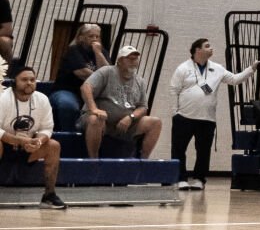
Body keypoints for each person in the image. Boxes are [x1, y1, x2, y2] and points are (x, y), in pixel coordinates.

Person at [168, 38, 260, 190]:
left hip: (207, 118)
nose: (211, 48)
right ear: (197, 50)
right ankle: (180, 179)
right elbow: (174, 90)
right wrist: (175, 113)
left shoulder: (217, 68)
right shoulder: (183, 68)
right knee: (178, 149)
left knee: (203, 151)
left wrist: (251, 69)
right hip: (184, 117)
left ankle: (199, 179)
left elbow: (235, 79)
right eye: (207, 46)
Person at [79, 46, 160, 160]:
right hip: (102, 120)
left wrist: (130, 117)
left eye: (135, 59)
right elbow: (86, 88)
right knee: (95, 119)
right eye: (129, 59)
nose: (133, 62)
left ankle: (143, 161)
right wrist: (94, 109)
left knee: (155, 122)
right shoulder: (107, 71)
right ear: (120, 61)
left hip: (126, 123)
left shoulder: (140, 81)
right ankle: (93, 161)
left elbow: (143, 107)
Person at [0, 66, 64, 208]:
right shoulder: (3, 98)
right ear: (14, 82)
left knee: (53, 146)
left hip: (28, 147)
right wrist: (19, 140)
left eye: (32, 80)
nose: (29, 83)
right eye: (24, 80)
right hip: (5, 145)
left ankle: (49, 195)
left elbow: (47, 128)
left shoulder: (42, 99)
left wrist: (38, 142)